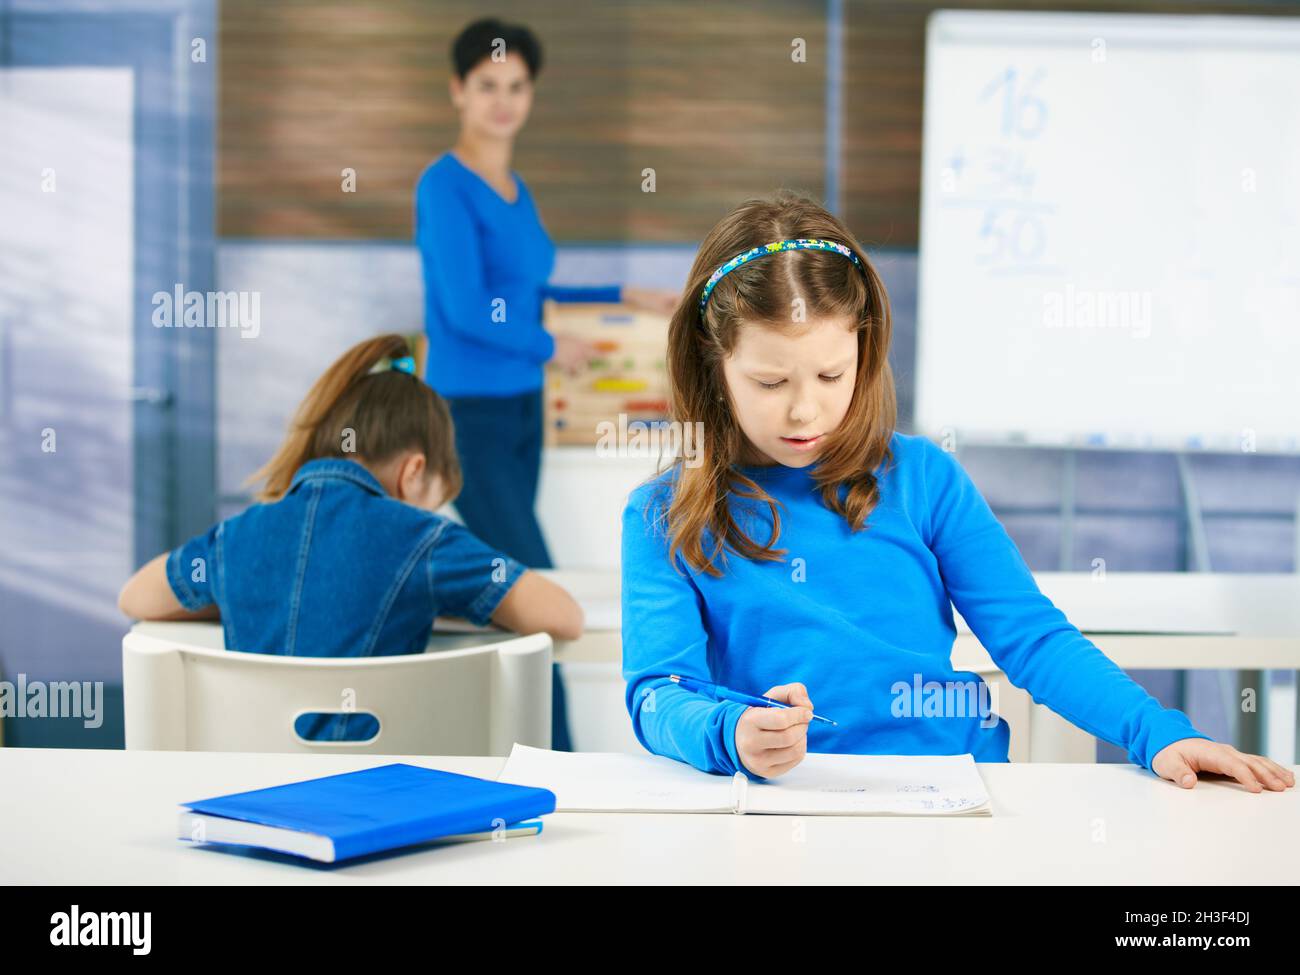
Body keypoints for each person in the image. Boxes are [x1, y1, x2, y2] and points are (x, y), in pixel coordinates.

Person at [620, 191, 1294, 794]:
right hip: (780, 810)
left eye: (832, 374)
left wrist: (1157, 731)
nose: (806, 411)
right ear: (713, 365)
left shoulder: (923, 478)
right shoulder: (662, 514)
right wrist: (730, 731)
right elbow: (658, 694)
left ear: (866, 350)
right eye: (771, 382)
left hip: (950, 796)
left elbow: (1032, 638)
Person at [118, 334, 582, 743]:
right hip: (374, 804)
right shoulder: (423, 539)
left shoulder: (240, 534)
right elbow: (564, 617)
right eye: (435, 499)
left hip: (250, 798)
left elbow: (136, 597)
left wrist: (248, 592)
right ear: (414, 472)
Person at [416, 17, 674, 748]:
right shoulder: (444, 187)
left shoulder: (514, 187)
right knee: (533, 587)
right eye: (488, 85)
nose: (503, 100)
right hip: (469, 413)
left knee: (514, 584)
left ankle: (525, 745)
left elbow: (528, 287)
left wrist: (621, 294)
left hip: (521, 406)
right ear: (459, 91)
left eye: (517, 86)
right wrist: (547, 345)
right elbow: (467, 310)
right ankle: (553, 752)